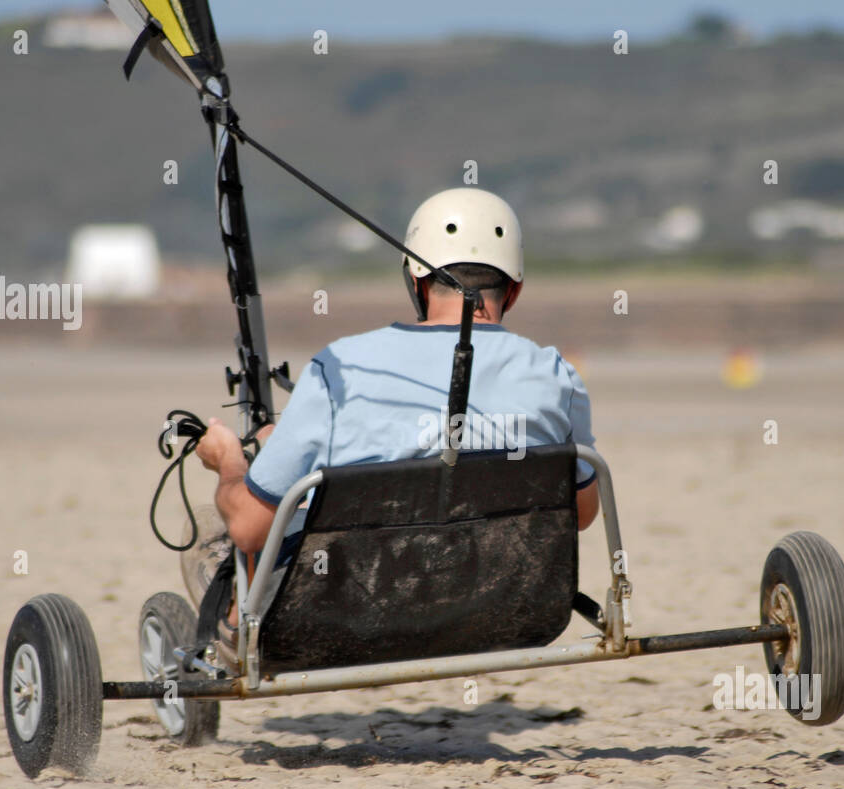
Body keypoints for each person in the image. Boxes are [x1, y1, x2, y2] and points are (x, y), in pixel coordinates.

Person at [189, 187, 599, 667]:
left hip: (345, 613)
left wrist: (228, 462)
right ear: (516, 289)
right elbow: (583, 512)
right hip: (507, 605)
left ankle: (238, 624)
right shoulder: (554, 373)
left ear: (416, 280)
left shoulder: (341, 365)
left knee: (230, 527)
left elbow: (248, 528)